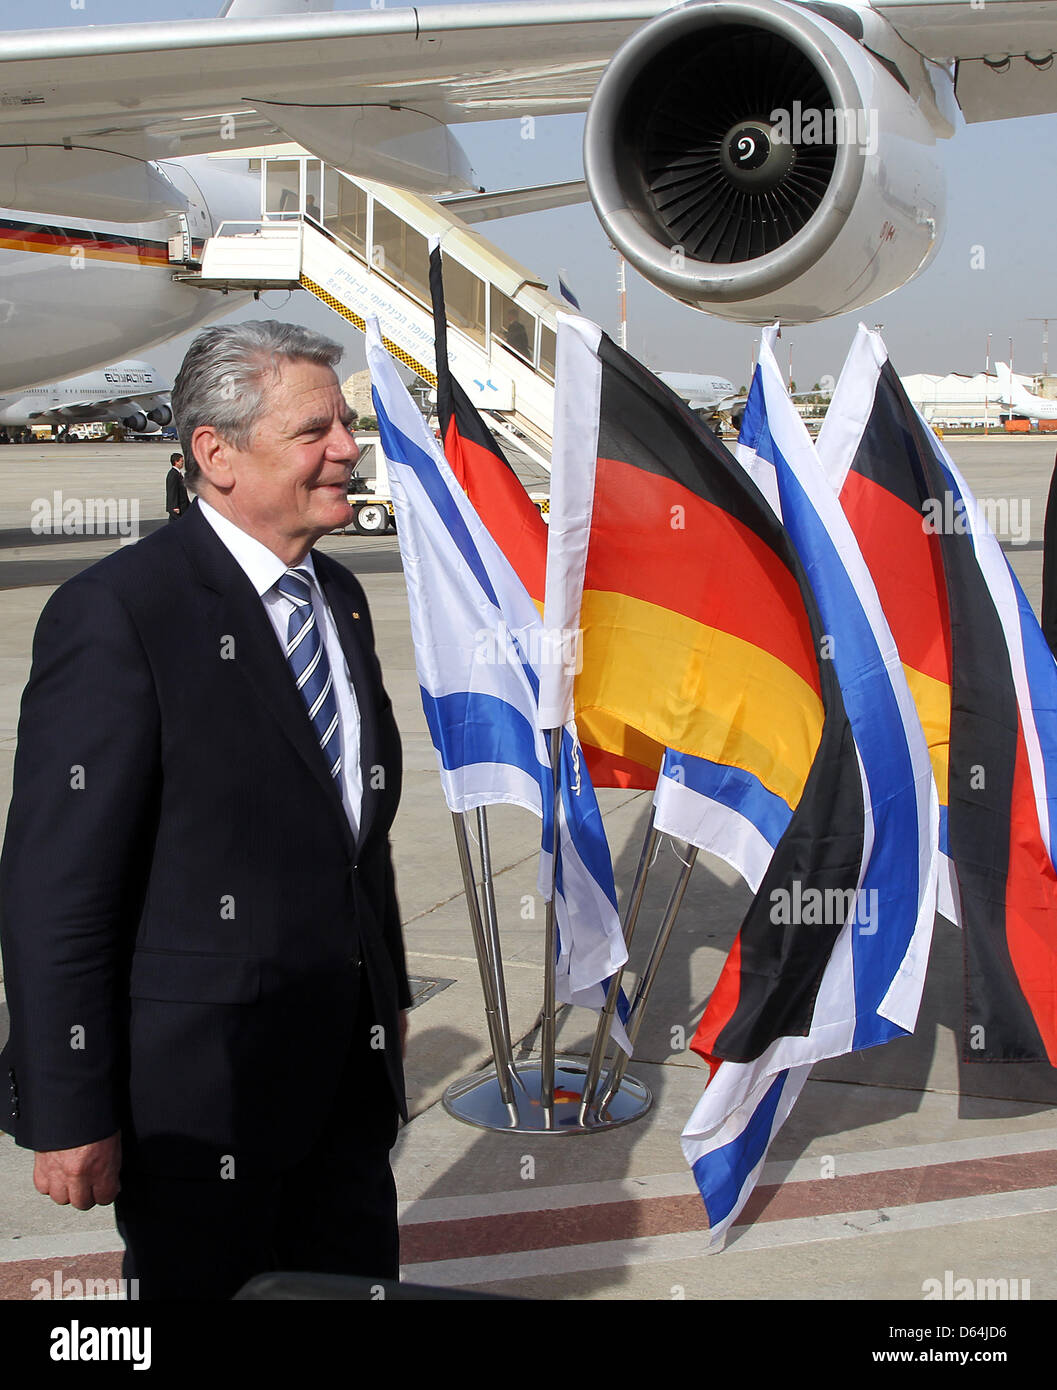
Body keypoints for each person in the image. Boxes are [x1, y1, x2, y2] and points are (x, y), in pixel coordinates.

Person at [0, 321, 410, 1300]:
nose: (348, 448)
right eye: (316, 429)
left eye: (345, 425)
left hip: (344, 1093)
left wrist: (385, 996)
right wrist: (67, 1106)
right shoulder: (121, 615)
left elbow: (359, 834)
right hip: (202, 1108)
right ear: (215, 455)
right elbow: (59, 891)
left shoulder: (340, 597)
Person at [165, 450, 190, 521]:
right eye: (181, 461)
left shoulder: (177, 474)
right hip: (178, 508)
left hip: (183, 506)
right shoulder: (173, 475)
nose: (183, 463)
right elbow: (172, 492)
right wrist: (174, 507)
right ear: (176, 462)